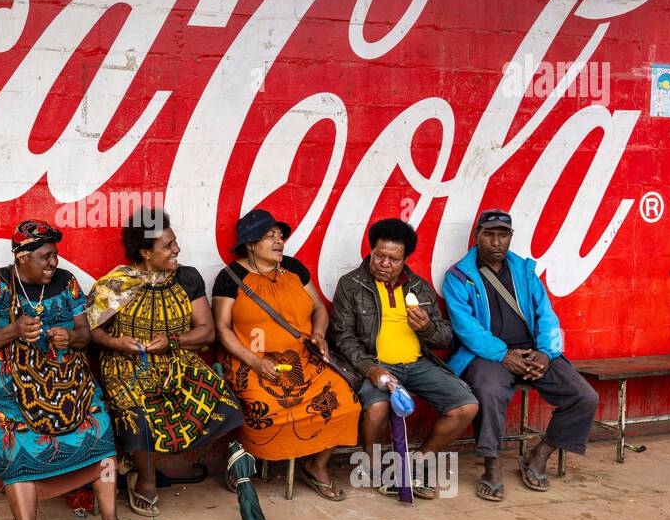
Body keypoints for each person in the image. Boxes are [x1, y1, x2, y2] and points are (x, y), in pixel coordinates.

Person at [0, 219, 145, 520]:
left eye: (55, 255)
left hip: (65, 381)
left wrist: (70, 337)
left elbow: (85, 334)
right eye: (45, 256)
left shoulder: (67, 283)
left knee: (99, 424)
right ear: (22, 257)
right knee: (14, 437)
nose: (53, 263)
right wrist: (14, 330)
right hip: (10, 385)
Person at [88, 207, 251, 520]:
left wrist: (173, 341)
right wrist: (116, 342)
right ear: (145, 253)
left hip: (177, 359)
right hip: (127, 364)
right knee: (139, 415)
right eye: (167, 245)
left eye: (175, 242)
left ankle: (236, 466)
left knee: (226, 403)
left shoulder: (186, 278)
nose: (176, 249)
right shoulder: (116, 285)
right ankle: (145, 479)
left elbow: (206, 330)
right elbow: (91, 332)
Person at [444, 209, 600, 501]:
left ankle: (539, 454)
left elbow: (547, 315)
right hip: (488, 355)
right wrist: (503, 354)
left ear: (510, 237)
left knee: (584, 396)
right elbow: (466, 328)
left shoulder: (525, 271)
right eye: (489, 234)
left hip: (531, 350)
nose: (496, 242)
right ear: (477, 235)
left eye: (503, 235)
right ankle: (491, 465)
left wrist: (546, 353)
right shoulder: (459, 276)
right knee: (488, 391)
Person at [211, 209, 361, 499]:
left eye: (280, 236)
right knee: (263, 408)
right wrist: (254, 361)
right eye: (270, 236)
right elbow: (222, 328)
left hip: (302, 359)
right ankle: (243, 460)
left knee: (345, 401)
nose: (279, 241)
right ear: (250, 243)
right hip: (251, 362)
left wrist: (319, 334)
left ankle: (316, 466)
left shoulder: (294, 268)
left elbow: (318, 307)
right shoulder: (230, 277)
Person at [328, 218, 479, 499]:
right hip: (375, 364)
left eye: (393, 259)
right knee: (377, 408)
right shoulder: (351, 285)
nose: (384, 263)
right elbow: (342, 337)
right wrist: (371, 370)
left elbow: (445, 337)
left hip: (418, 365)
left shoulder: (419, 287)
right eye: (379, 255)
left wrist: (427, 328)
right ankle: (374, 466)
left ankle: (417, 463)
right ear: (371, 251)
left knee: (466, 406)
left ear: (405, 259)